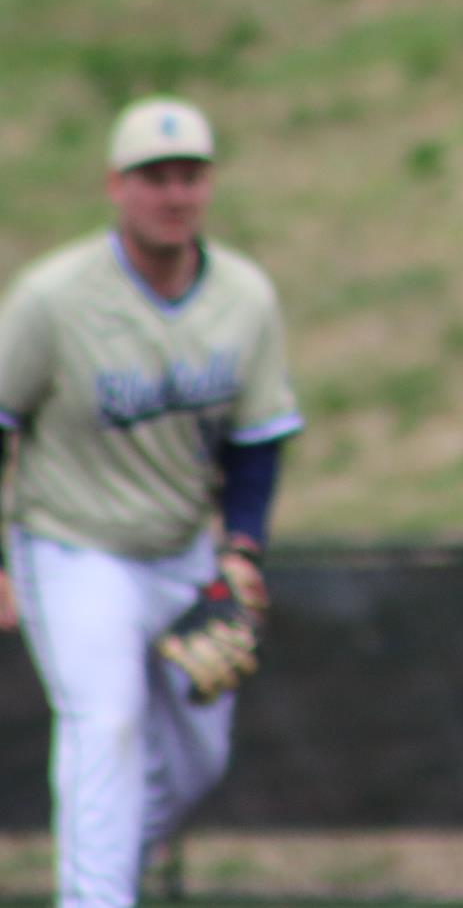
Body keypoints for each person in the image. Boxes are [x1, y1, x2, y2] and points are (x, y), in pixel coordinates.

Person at [0, 95, 303, 908]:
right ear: (116, 186)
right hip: (74, 545)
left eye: (189, 175)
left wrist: (240, 550)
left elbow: (258, 438)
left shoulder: (244, 296)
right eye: (153, 176)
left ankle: (98, 872)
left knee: (200, 753)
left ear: (209, 185)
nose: (173, 193)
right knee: (107, 724)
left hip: (181, 550)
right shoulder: (53, 297)